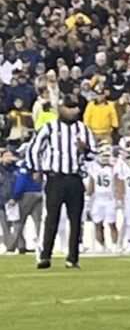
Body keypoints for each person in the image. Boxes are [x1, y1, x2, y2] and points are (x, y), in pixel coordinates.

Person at [26, 95, 90, 269]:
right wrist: (36, 168)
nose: (75, 110)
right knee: (51, 217)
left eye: (76, 107)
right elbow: (33, 149)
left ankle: (73, 258)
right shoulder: (49, 128)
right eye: (70, 107)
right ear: (61, 108)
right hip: (55, 178)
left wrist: (85, 149)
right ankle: (45, 255)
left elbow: (93, 155)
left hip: (75, 178)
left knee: (76, 219)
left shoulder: (83, 129)